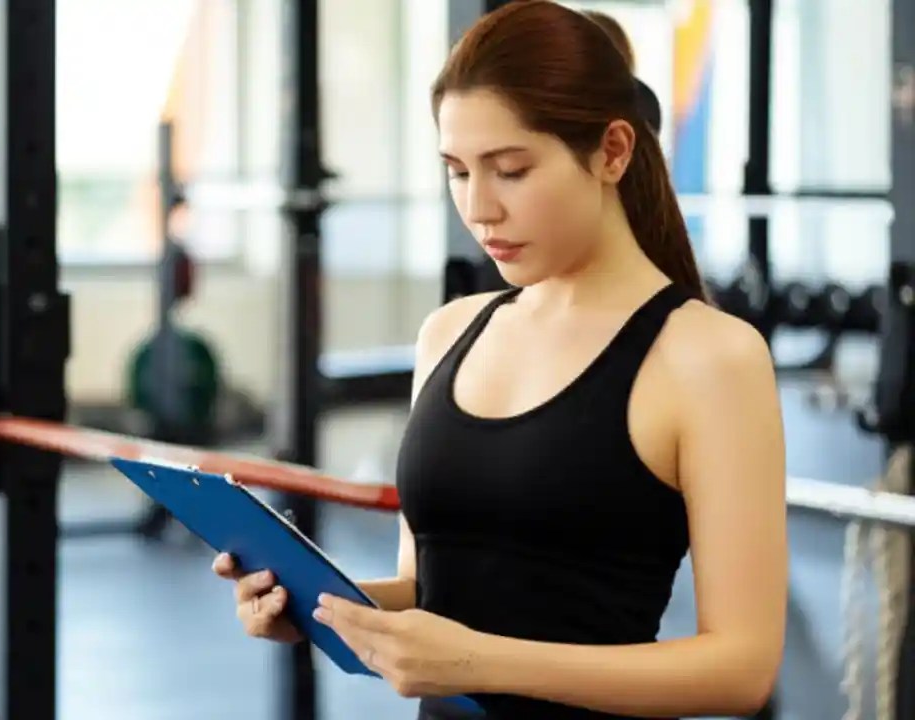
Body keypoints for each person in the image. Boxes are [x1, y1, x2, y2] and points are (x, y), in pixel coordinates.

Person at [214, 2, 787, 718]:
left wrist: (479, 660)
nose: (479, 208)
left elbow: (741, 668)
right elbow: (433, 591)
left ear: (612, 152)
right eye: (456, 172)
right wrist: (316, 604)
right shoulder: (449, 333)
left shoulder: (708, 357)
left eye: (510, 170)